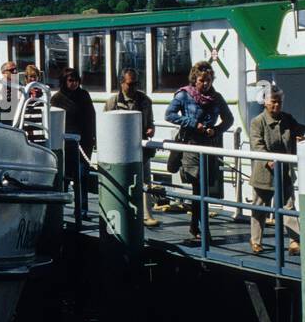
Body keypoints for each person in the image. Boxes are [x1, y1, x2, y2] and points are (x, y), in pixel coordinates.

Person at [165, 60, 233, 243]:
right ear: (195, 80)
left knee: (201, 188)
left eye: (209, 80)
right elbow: (169, 114)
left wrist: (216, 130)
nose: (206, 84)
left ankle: (195, 225)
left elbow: (229, 119)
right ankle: (204, 230)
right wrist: (194, 123)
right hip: (190, 145)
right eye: (202, 80)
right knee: (199, 186)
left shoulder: (216, 98)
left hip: (208, 146)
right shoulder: (184, 95)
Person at [248, 85, 304, 256]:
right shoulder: (258, 122)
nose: (276, 106)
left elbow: (300, 129)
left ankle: (295, 241)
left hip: (284, 171)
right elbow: (257, 144)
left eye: (279, 102)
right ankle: (256, 241)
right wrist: (268, 159)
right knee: (259, 208)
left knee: (288, 206)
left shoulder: (287, 119)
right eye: (273, 102)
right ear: (265, 102)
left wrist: (303, 136)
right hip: (265, 172)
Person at [104, 67, 158, 228]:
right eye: (130, 84)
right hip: (118, 150)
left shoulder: (145, 101)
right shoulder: (112, 103)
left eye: (136, 83)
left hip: (140, 148)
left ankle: (147, 214)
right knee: (123, 181)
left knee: (145, 179)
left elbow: (150, 122)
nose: (133, 87)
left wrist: (151, 129)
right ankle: (124, 211)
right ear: (121, 83)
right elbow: (105, 125)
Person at [52, 67, 97, 217]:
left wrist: (93, 137)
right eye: (71, 80)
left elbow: (91, 117)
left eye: (76, 80)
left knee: (82, 176)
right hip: (64, 144)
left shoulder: (84, 95)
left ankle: (82, 209)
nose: (74, 83)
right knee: (63, 176)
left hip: (82, 143)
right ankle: (60, 209)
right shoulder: (57, 99)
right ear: (64, 81)